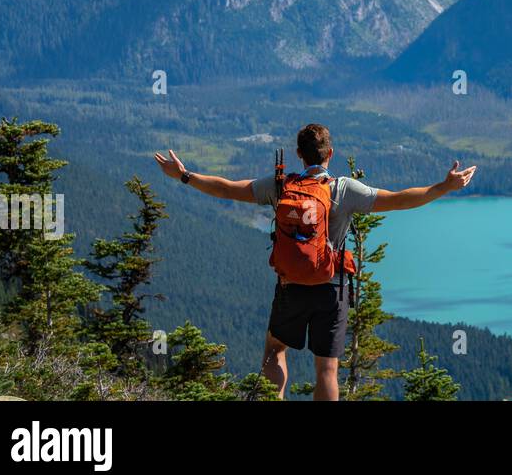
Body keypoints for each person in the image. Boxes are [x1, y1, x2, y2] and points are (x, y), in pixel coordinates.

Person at [153, 122, 476, 400]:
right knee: (327, 367)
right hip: (331, 288)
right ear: (330, 154)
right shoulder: (343, 189)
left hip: (290, 285)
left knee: (275, 351)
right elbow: (400, 199)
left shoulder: (280, 185)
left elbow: (226, 189)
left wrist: (183, 176)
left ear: (299, 154)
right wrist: (444, 186)